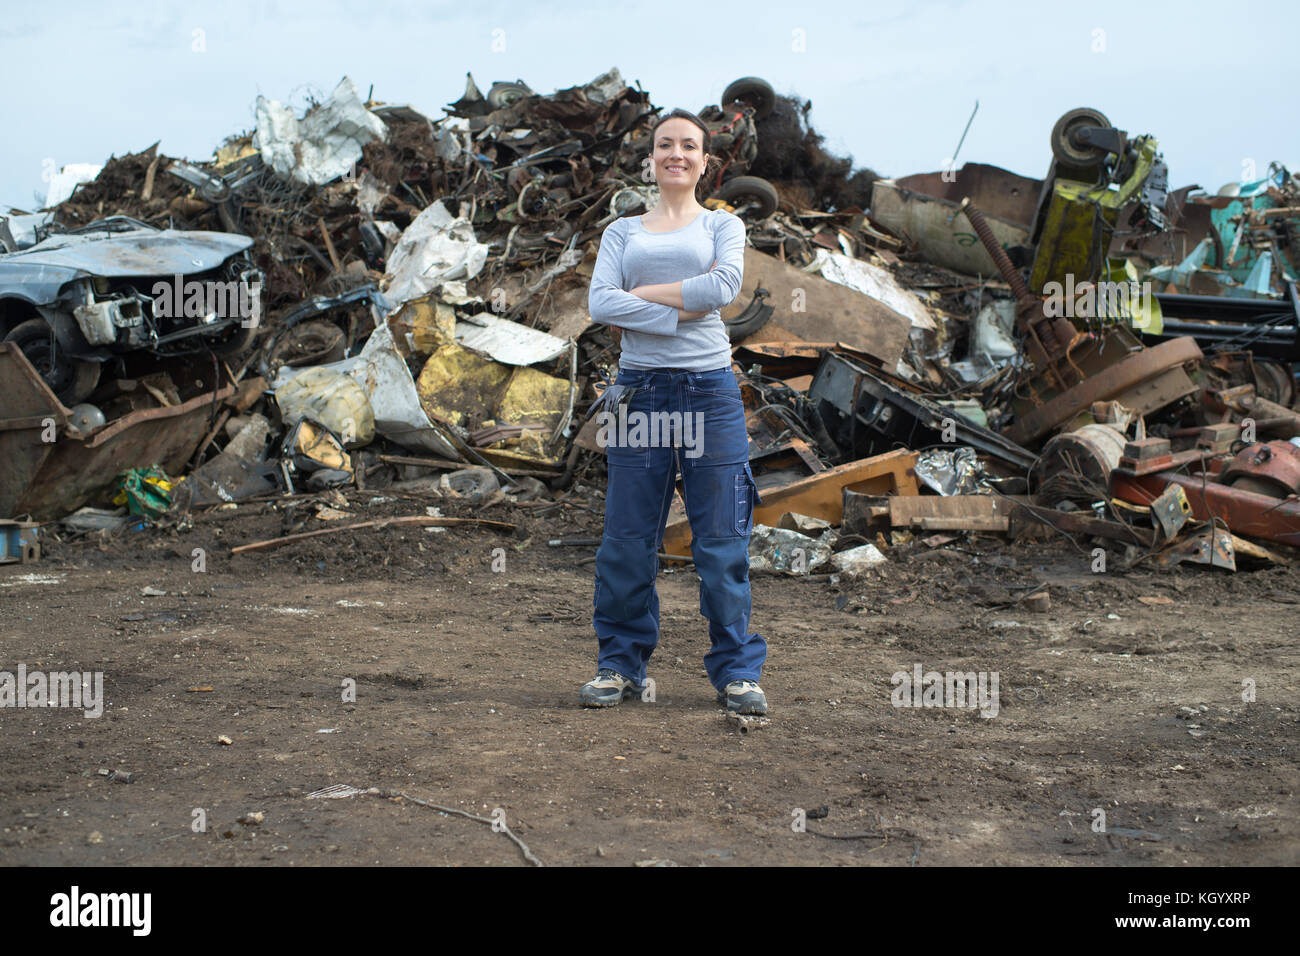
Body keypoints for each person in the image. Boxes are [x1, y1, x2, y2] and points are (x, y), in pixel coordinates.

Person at [581, 107, 768, 715]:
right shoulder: (622, 232)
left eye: (689, 145)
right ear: (652, 158)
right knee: (628, 540)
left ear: (706, 161)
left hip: (709, 392)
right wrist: (675, 309)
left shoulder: (722, 225)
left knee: (721, 543)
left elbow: (722, 289)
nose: (676, 154)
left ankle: (737, 672)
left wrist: (640, 297)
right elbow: (598, 302)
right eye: (666, 145)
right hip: (638, 393)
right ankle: (618, 666)